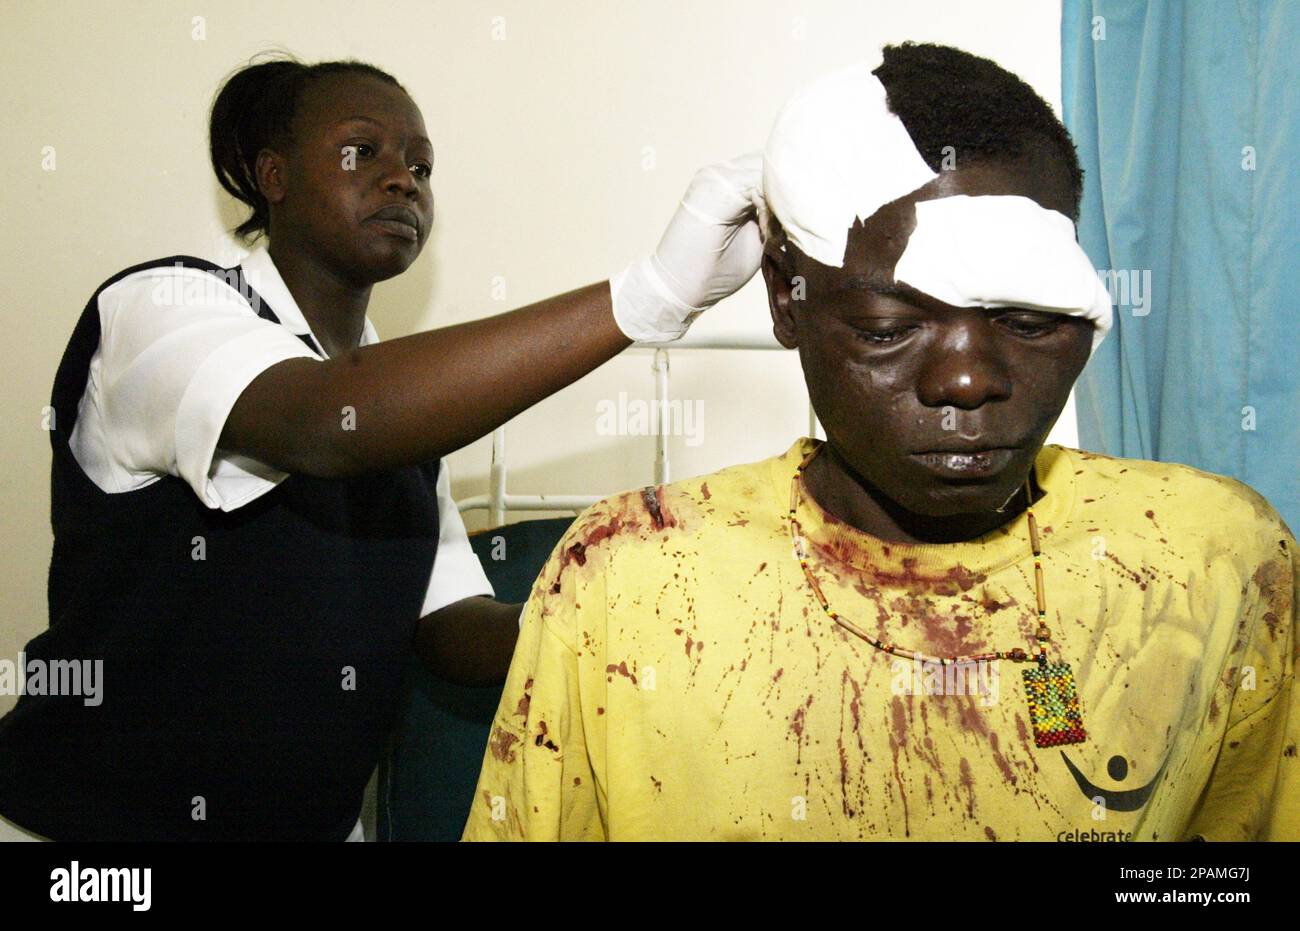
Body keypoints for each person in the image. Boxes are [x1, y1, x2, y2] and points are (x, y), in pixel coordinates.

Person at [461, 43, 1298, 842]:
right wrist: (645, 296)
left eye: (1029, 320)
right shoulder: (631, 578)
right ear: (786, 305)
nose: (967, 381)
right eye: (891, 328)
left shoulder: (1211, 561)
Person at [0, 55, 763, 841]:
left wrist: (609, 610)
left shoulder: (404, 418)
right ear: (274, 175)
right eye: (362, 152)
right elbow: (328, 422)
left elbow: (450, 628)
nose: (404, 180)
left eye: (421, 165)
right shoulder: (166, 311)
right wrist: (648, 299)